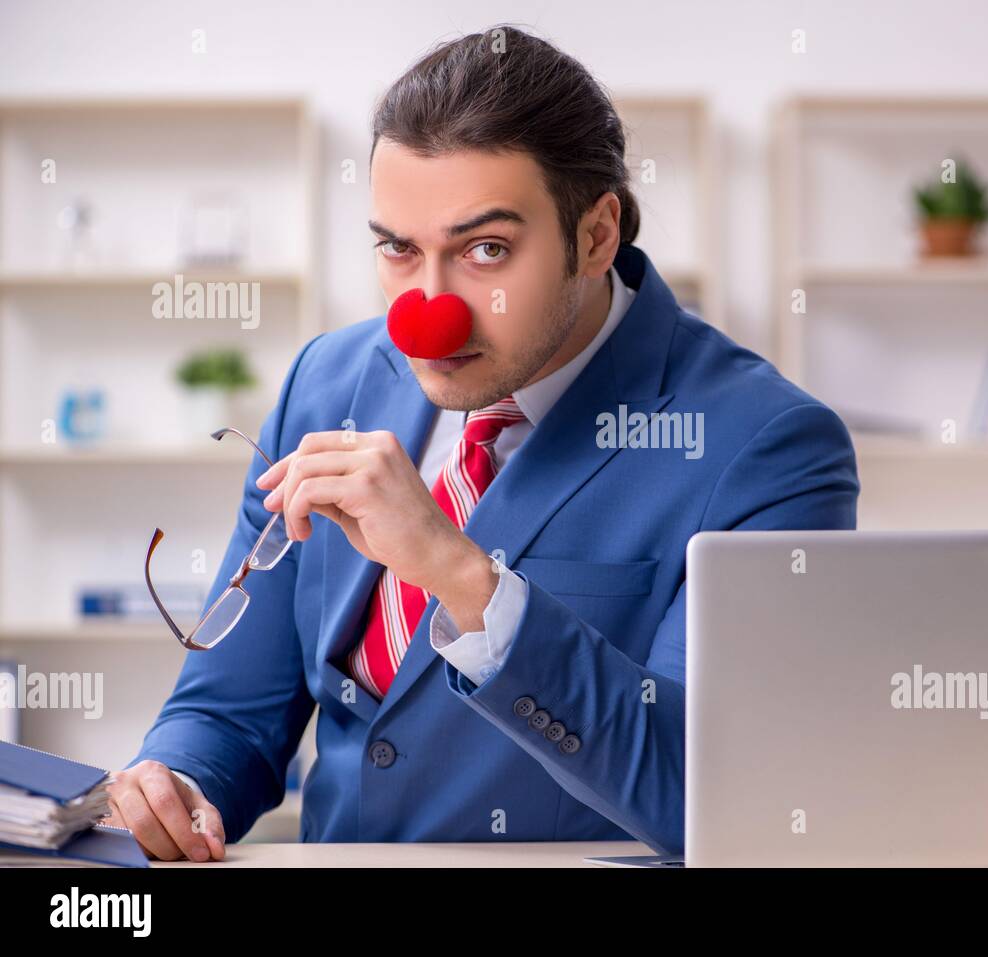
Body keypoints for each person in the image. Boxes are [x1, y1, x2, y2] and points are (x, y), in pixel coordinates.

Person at [106, 24, 859, 862]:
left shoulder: (768, 446)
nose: (430, 312)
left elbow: (718, 798)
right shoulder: (329, 379)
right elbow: (230, 714)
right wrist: (180, 782)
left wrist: (461, 576)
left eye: (487, 250)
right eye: (398, 248)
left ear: (597, 236)